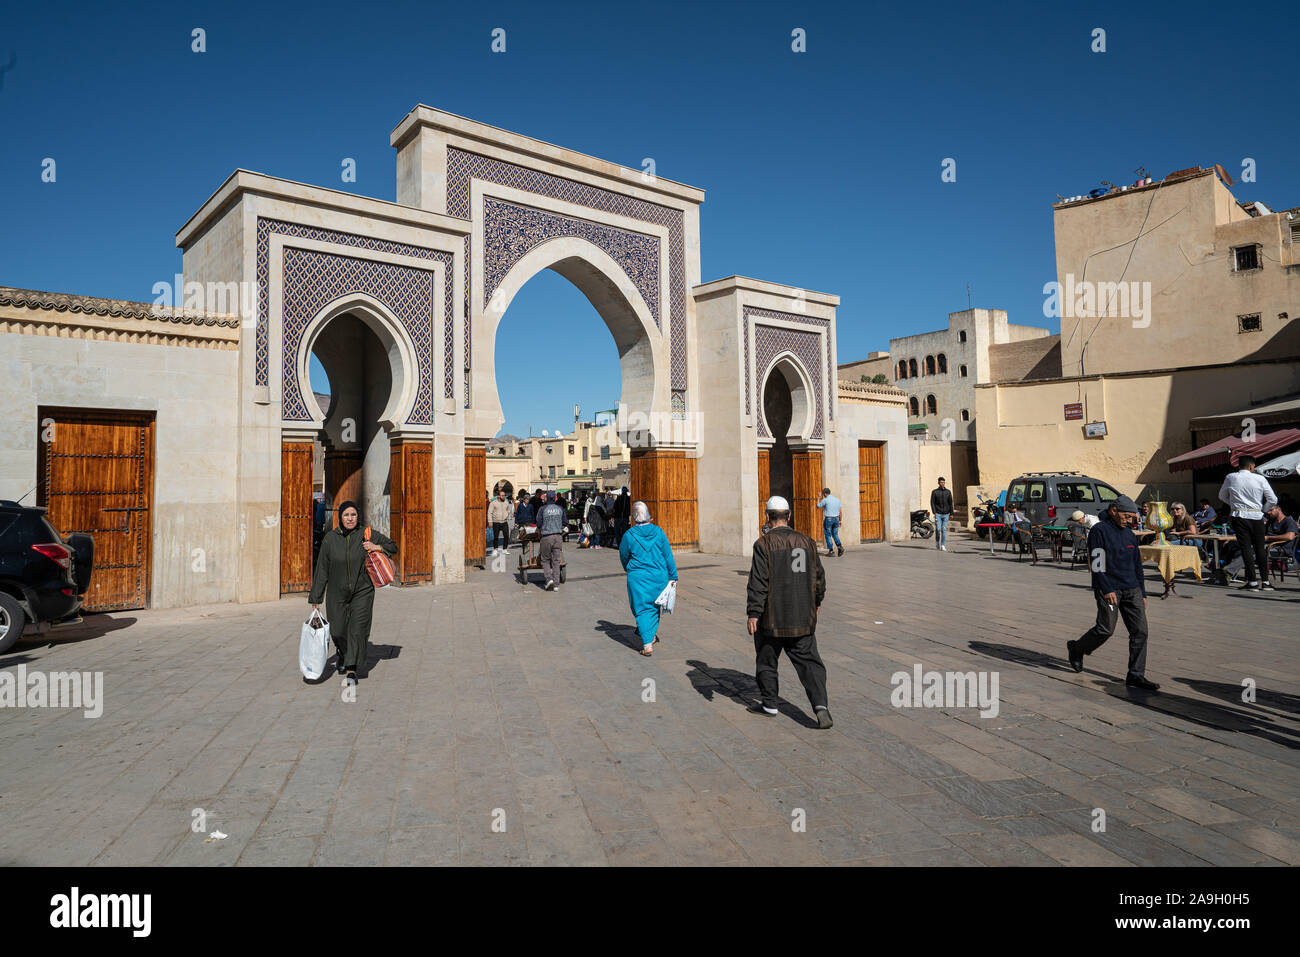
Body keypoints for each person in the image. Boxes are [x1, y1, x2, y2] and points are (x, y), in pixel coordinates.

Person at [746, 496, 833, 729]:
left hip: (771, 619)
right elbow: (818, 577)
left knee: (766, 661)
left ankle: (770, 705)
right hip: (802, 618)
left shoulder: (763, 544)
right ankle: (820, 707)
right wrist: (817, 600)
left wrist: (753, 613)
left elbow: (758, 582)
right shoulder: (807, 541)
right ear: (789, 516)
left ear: (767, 517)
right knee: (810, 664)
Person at [1066, 495, 1158, 691]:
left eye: (1132, 516)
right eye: (1127, 515)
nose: (1130, 519)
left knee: (1140, 631)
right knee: (1106, 628)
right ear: (1113, 511)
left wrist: (1143, 592)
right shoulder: (1100, 531)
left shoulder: (1130, 534)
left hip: (1132, 590)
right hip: (1110, 589)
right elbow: (1097, 564)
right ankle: (1077, 648)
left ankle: (1135, 675)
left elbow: (1137, 566)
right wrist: (1106, 588)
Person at [309, 501, 398, 686]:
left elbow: (392, 546)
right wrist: (316, 597)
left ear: (358, 517)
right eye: (346, 515)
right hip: (336, 592)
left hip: (362, 591)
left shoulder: (367, 533)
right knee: (338, 629)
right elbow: (322, 569)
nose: (350, 519)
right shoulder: (330, 539)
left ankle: (351, 669)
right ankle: (342, 653)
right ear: (340, 517)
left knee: (358, 630)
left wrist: (377, 547)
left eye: (353, 515)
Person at [619, 501, 678, 656]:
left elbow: (624, 556)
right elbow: (668, 555)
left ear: (634, 517)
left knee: (641, 609)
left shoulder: (629, 535)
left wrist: (628, 569)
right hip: (659, 577)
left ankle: (647, 645)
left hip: (638, 578)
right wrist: (673, 575)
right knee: (653, 607)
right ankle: (649, 635)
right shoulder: (659, 532)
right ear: (649, 517)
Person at [1218, 455, 1278, 591]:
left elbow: (1221, 496)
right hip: (1257, 516)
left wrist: (1234, 505)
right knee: (1260, 548)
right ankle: (1266, 582)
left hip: (1239, 515)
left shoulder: (1231, 477)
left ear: (1239, 466)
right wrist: (1263, 509)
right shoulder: (1260, 478)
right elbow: (1273, 499)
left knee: (1246, 549)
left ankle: (1252, 582)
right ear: (1252, 466)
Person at [1219, 504, 1296, 583]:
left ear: (1279, 509)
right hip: (1265, 545)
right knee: (1234, 544)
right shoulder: (1271, 521)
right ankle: (1219, 567)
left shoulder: (1289, 521)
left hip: (1279, 550)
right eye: (1267, 511)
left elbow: (1290, 536)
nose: (1269, 513)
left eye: (1271, 510)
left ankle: (1227, 572)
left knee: (1251, 552)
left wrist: (1268, 538)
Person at [536, 491, 566, 590]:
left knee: (545, 559)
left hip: (547, 537)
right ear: (555, 498)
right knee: (556, 561)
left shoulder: (542, 509)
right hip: (558, 537)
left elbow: (539, 523)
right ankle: (556, 585)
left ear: (546, 498)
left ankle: (549, 579)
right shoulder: (560, 509)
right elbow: (565, 522)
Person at [816, 487, 843, 557]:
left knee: (828, 535)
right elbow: (840, 511)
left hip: (829, 519)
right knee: (835, 534)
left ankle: (831, 551)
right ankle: (839, 546)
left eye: (823, 494)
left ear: (825, 494)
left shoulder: (825, 500)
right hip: (836, 519)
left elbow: (818, 506)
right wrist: (840, 520)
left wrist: (818, 497)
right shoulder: (837, 500)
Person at [929, 477, 954, 552]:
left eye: (943, 482)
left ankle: (943, 545)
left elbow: (950, 503)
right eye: (941, 482)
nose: (942, 483)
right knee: (938, 529)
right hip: (938, 514)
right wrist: (934, 512)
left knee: (944, 529)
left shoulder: (948, 492)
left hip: (946, 514)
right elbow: (932, 502)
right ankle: (937, 542)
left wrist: (951, 513)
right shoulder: (935, 492)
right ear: (938, 483)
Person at [487, 488, 512, 553]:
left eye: (504, 495)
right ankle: (495, 549)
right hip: (496, 522)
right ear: (498, 496)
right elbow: (489, 512)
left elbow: (509, 509)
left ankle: (505, 549)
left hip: (504, 522)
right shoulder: (493, 503)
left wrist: (507, 514)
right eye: (502, 495)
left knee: (506, 536)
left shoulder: (506, 502)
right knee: (496, 537)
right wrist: (490, 521)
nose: (503, 497)